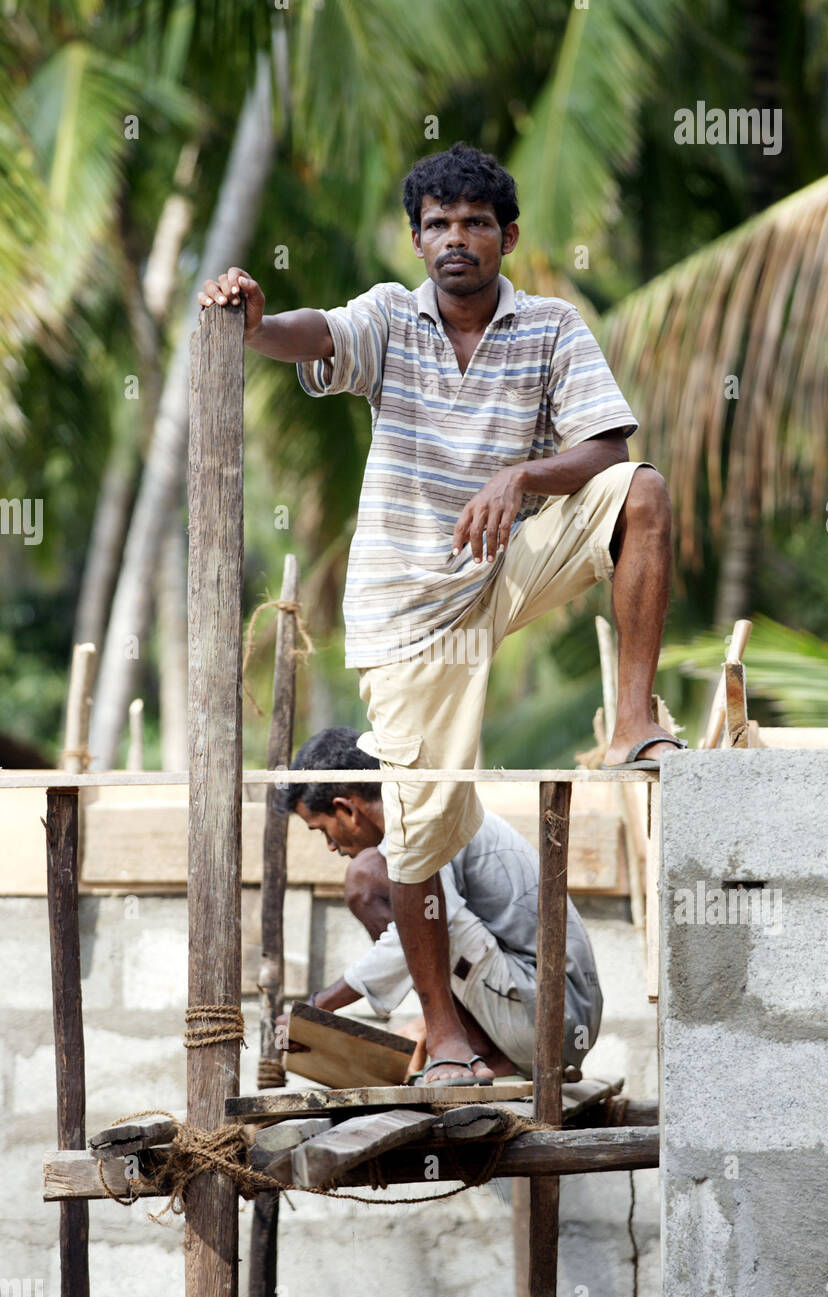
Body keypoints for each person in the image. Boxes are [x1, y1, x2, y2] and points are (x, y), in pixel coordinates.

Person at [199, 141, 686, 1084]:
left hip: (502, 560)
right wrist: (256, 323)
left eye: (473, 222)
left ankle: (634, 722)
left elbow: (605, 445)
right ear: (418, 240)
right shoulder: (391, 317)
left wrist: (520, 474)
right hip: (406, 609)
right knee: (419, 826)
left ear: (507, 235)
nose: (454, 238)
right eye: (437, 224)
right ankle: (448, 1041)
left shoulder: (551, 327)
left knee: (644, 491)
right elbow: (317, 334)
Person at [274, 727, 602, 1082]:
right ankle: (471, 1043)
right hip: (551, 1020)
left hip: (549, 1021)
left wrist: (317, 1007)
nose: (330, 846)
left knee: (366, 879)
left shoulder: (422, 823)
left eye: (322, 830)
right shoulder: (423, 812)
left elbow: (420, 933)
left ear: (347, 810)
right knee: (404, 899)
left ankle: (472, 1048)